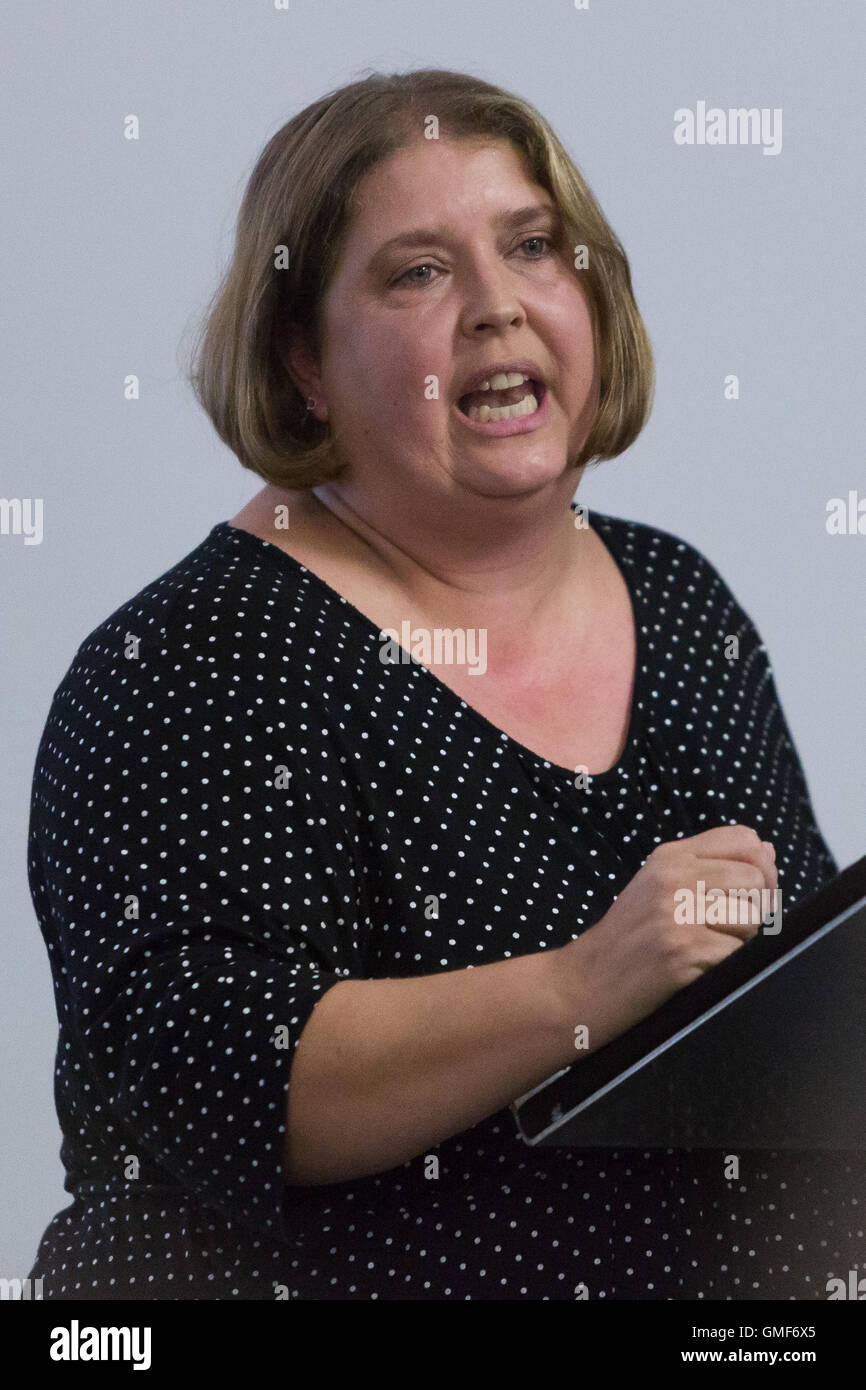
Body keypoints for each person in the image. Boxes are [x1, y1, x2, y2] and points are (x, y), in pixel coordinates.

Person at [27, 68, 858, 1301]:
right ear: (302, 357)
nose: (496, 307)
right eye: (417, 271)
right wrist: (581, 986)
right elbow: (220, 1086)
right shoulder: (191, 658)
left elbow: (796, 1009)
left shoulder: (676, 597)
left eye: (532, 246)